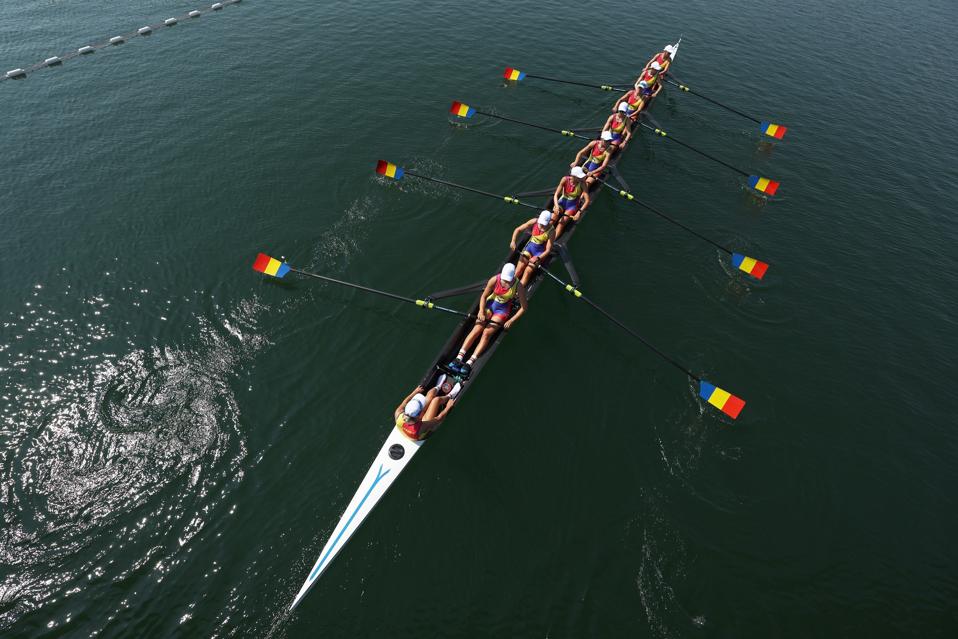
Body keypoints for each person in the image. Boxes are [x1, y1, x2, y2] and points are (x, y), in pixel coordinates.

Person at [447, 263, 528, 377]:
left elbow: (524, 308)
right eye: (505, 279)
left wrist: (511, 320)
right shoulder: (494, 280)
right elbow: (484, 297)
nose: (507, 281)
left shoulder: (518, 285)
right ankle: (459, 358)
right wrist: (480, 311)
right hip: (490, 304)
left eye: (509, 279)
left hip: (502, 310)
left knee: (486, 333)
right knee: (477, 328)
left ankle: (470, 362)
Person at [511, 210, 555, 285]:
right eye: (541, 222)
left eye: (544, 224)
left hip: (539, 253)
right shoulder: (534, 221)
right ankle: (508, 288)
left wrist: (537, 258)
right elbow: (517, 229)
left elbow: (548, 250)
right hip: (529, 248)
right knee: (518, 270)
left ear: (549, 221)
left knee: (527, 272)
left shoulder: (552, 231)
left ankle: (517, 293)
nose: (541, 225)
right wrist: (513, 241)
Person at [552, 166, 591, 239]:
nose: (581, 178)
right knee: (553, 218)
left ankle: (551, 242)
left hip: (572, 206)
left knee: (561, 222)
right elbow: (556, 194)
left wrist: (579, 212)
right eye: (579, 177)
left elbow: (587, 200)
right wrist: (556, 206)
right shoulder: (564, 179)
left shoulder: (582, 184)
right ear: (573, 176)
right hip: (561, 202)